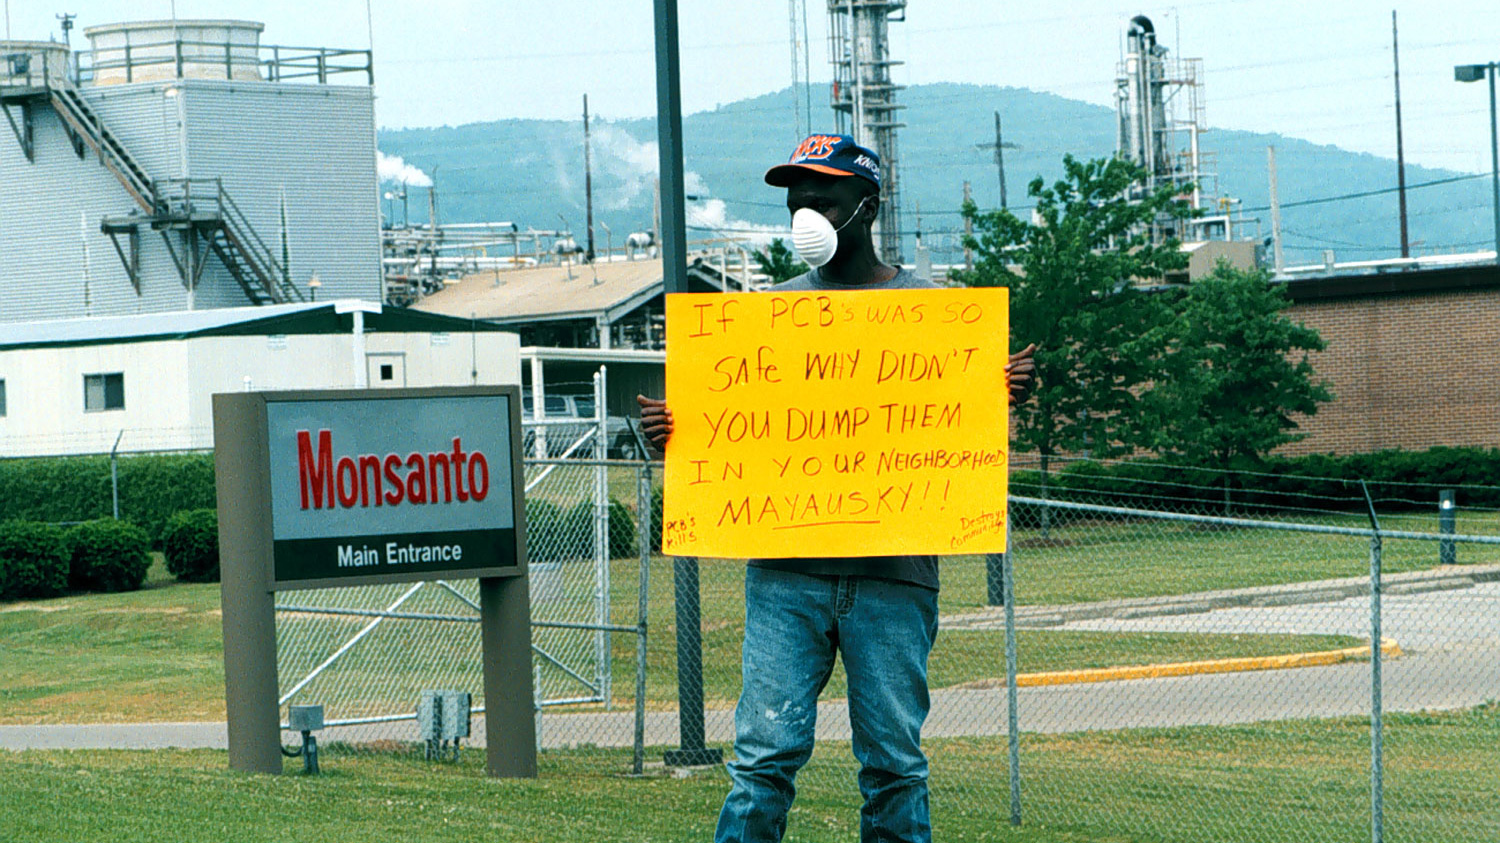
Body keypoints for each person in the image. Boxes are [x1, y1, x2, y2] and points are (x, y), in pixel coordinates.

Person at [637, 134, 1036, 843]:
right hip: (786, 578)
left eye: (822, 197)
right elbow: (737, 430)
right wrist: (675, 431)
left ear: (867, 206)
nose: (804, 211)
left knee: (893, 767)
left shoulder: (938, 315)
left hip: (895, 579)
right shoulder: (764, 318)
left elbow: (961, 434)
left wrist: (1000, 394)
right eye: (795, 198)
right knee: (761, 763)